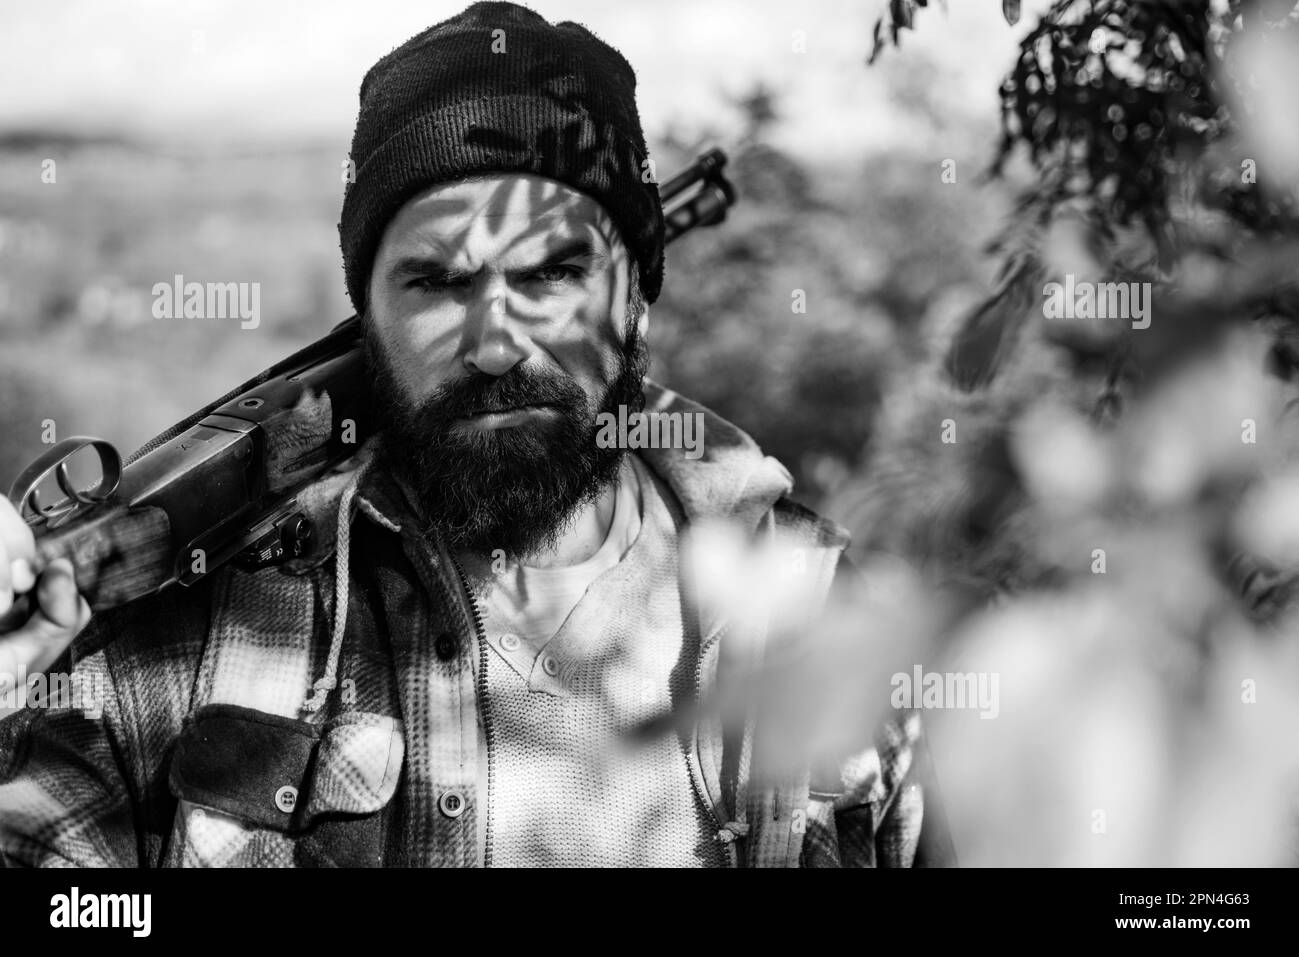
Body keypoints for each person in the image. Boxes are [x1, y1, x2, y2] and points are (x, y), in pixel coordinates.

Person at [0, 1, 953, 868]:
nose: (497, 344)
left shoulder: (822, 622)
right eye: (437, 283)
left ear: (637, 307)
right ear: (363, 320)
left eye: (548, 275)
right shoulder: (179, 643)